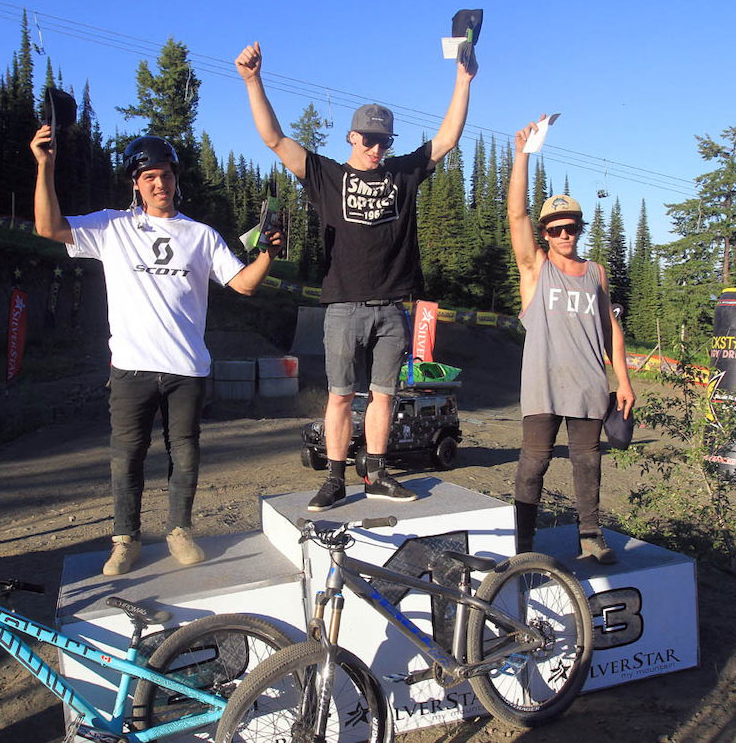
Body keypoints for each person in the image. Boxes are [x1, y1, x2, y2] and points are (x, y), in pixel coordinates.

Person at [235, 40, 478, 512]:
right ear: (351, 137)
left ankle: (378, 473)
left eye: (383, 140)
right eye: (367, 139)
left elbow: (447, 138)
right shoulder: (325, 176)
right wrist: (252, 80)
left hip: (391, 308)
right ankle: (333, 479)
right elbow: (274, 139)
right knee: (341, 397)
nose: (375, 147)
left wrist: (463, 81)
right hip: (343, 306)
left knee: (384, 397)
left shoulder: (403, 175)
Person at [30, 126, 283, 576]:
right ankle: (125, 540)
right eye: (149, 177)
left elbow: (242, 283)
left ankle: (179, 531)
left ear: (175, 178)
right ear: (136, 183)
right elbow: (48, 227)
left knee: (184, 452)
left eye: (165, 175)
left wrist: (266, 252)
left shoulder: (201, 236)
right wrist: (45, 165)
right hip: (131, 369)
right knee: (127, 455)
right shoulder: (112, 226)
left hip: (186, 369)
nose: (159, 184)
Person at [507, 114, 636, 565]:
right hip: (542, 384)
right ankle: (523, 544)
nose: (564, 234)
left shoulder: (596, 273)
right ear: (544, 234)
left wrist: (623, 381)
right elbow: (516, 213)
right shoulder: (535, 269)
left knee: (588, 461)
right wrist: (522, 154)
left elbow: (611, 329)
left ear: (579, 229)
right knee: (534, 463)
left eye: (571, 227)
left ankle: (590, 536)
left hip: (587, 385)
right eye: (555, 229)